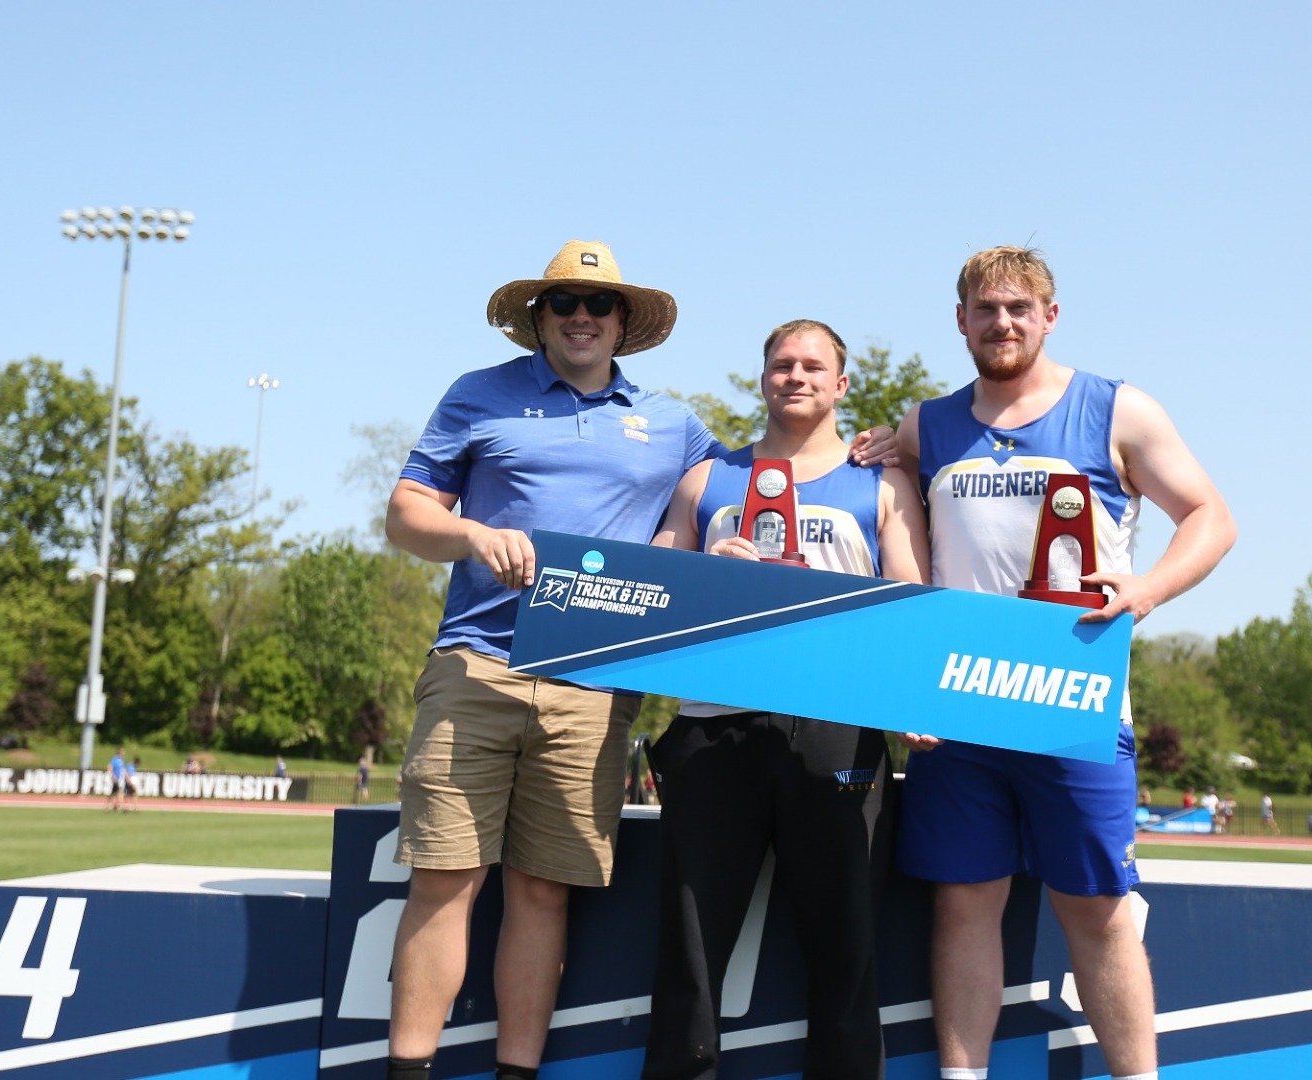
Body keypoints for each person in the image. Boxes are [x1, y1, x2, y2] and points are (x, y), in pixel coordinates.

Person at [381, 242, 892, 1080]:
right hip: (478, 663)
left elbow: (748, 485)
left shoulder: (673, 425)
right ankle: (408, 1072)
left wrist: (884, 448)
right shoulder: (478, 396)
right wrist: (472, 534)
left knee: (544, 890)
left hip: (593, 684)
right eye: (563, 302)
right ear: (537, 317)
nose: (581, 316)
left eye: (599, 304)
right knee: (448, 878)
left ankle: (517, 1074)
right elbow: (405, 516)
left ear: (623, 324)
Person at [893, 245, 1236, 1080]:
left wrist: (1146, 590)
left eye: (1019, 309)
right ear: (961, 320)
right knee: (965, 906)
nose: (1002, 323)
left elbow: (1212, 517)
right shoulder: (924, 426)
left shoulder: (1117, 409)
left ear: (1050, 316)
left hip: (1073, 702)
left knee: (1099, 912)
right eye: (985, 309)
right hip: (960, 704)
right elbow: (895, 515)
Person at [641, 319, 931, 1080]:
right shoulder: (708, 481)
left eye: (813, 366)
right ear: (762, 379)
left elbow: (913, 598)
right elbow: (652, 593)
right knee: (691, 954)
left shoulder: (882, 483)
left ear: (841, 385)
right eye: (781, 365)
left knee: (847, 956)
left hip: (837, 733)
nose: (795, 376)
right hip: (715, 733)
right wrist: (709, 568)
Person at [108, 747, 128, 812]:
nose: (124, 753)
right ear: (119, 752)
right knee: (119, 792)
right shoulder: (115, 760)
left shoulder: (122, 760)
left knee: (118, 792)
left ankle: (111, 806)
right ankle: (122, 807)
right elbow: (109, 767)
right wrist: (113, 776)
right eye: (123, 752)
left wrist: (126, 777)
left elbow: (123, 770)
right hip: (117, 779)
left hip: (121, 780)